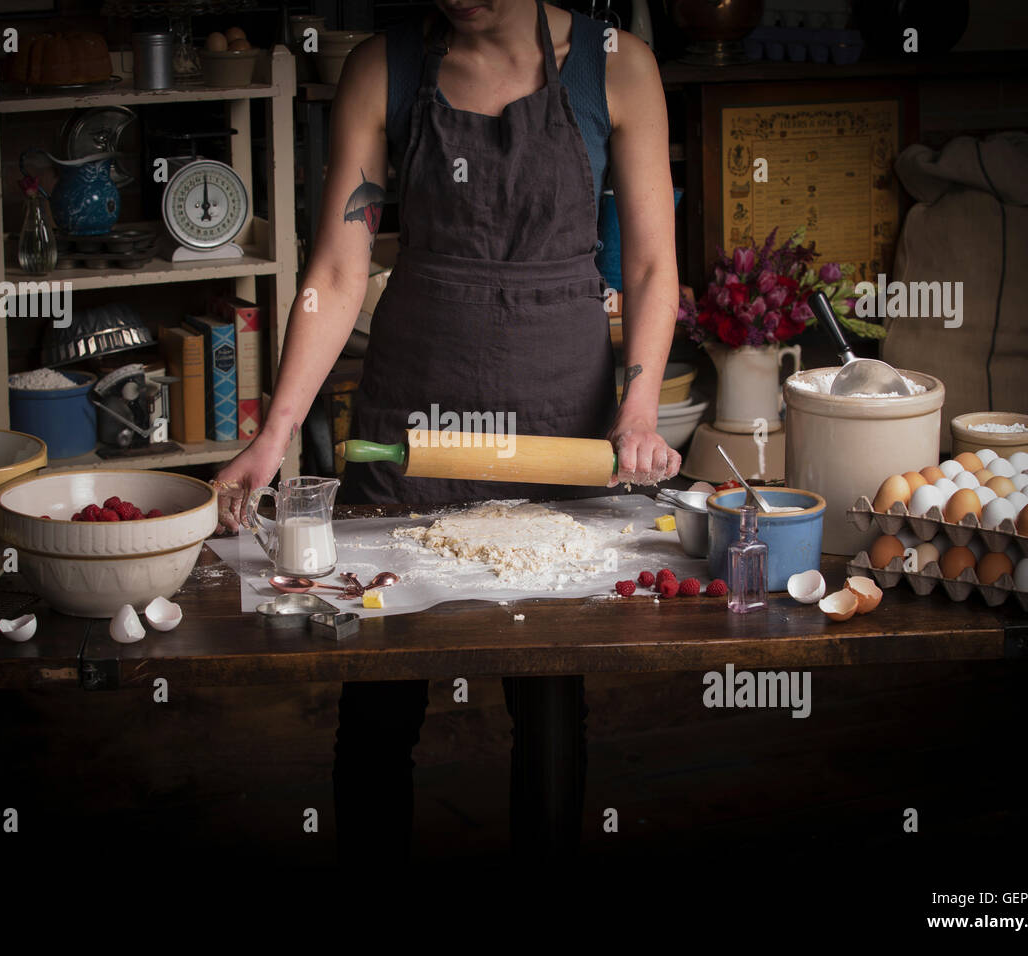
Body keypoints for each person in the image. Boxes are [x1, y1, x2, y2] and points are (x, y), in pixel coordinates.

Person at [213, 0, 680, 861]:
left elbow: (651, 264)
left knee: (548, 683)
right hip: (415, 412)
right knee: (378, 666)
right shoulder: (382, 66)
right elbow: (338, 266)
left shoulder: (618, 65)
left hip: (557, 417)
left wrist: (639, 411)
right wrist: (272, 436)